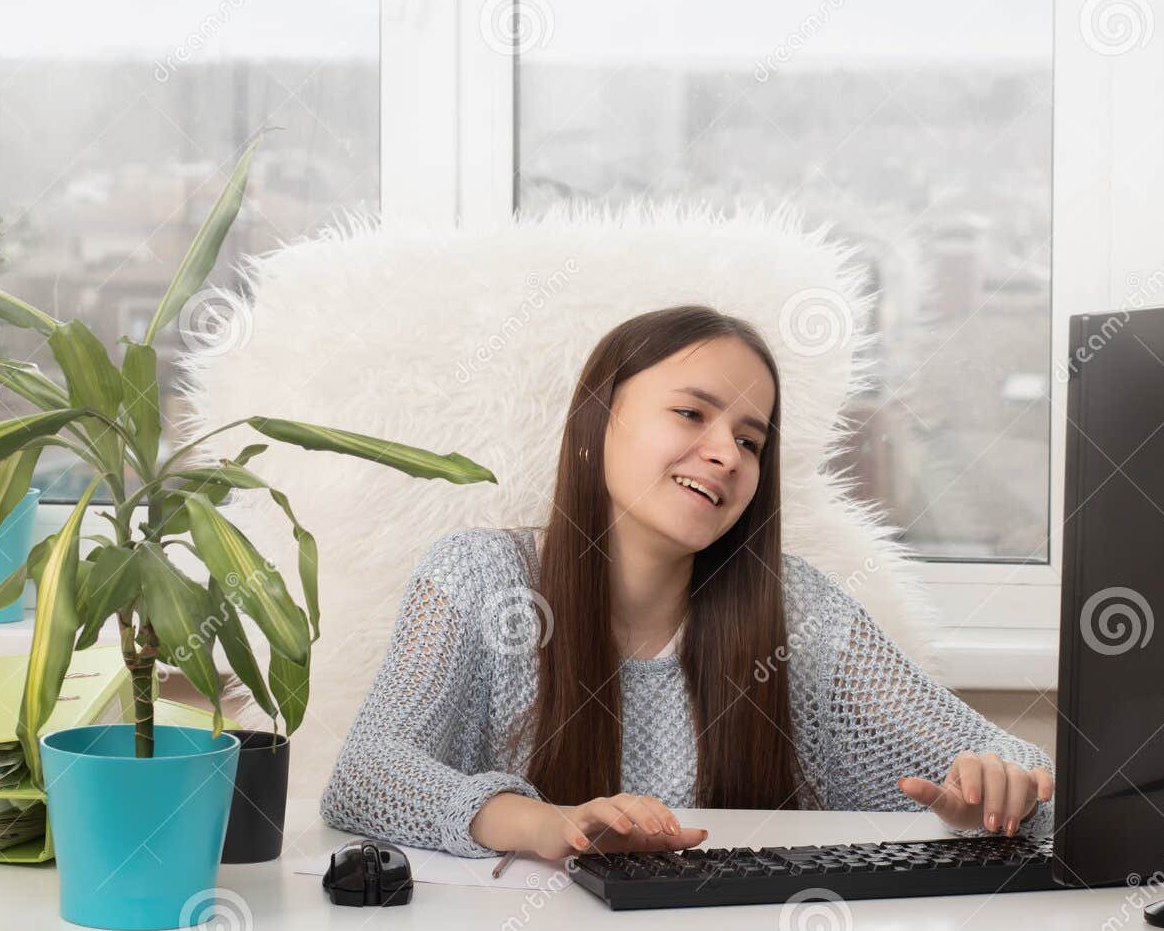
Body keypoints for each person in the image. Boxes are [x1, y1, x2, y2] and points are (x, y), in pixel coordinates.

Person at [320, 305, 1056, 860]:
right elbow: (364, 776)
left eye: (749, 439)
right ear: (595, 424)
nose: (725, 454)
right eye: (691, 413)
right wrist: (544, 822)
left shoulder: (801, 615)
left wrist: (996, 796)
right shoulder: (478, 579)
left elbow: (1029, 774)